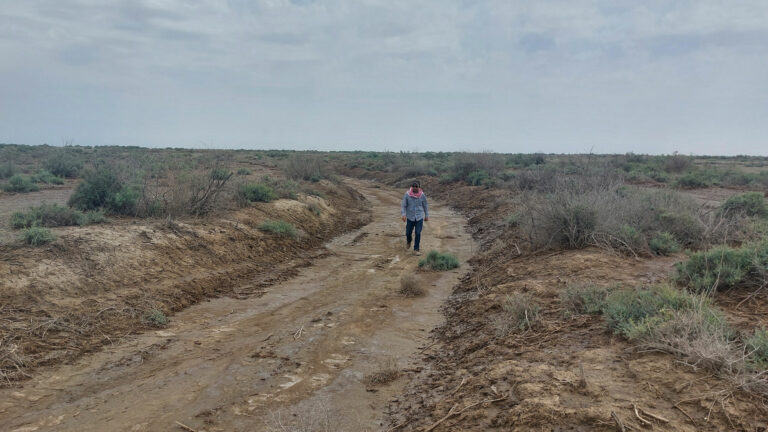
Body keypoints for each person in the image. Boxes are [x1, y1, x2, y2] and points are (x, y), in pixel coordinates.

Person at [401, 180, 429, 255]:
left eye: (416, 186)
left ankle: (416, 249)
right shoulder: (407, 194)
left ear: (419, 187)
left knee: (418, 232)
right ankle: (409, 241)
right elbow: (403, 205)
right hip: (410, 217)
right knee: (408, 233)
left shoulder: (422, 195)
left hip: (419, 217)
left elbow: (425, 205)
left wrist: (426, 215)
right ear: (411, 187)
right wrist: (403, 214)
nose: (415, 187)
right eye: (413, 186)